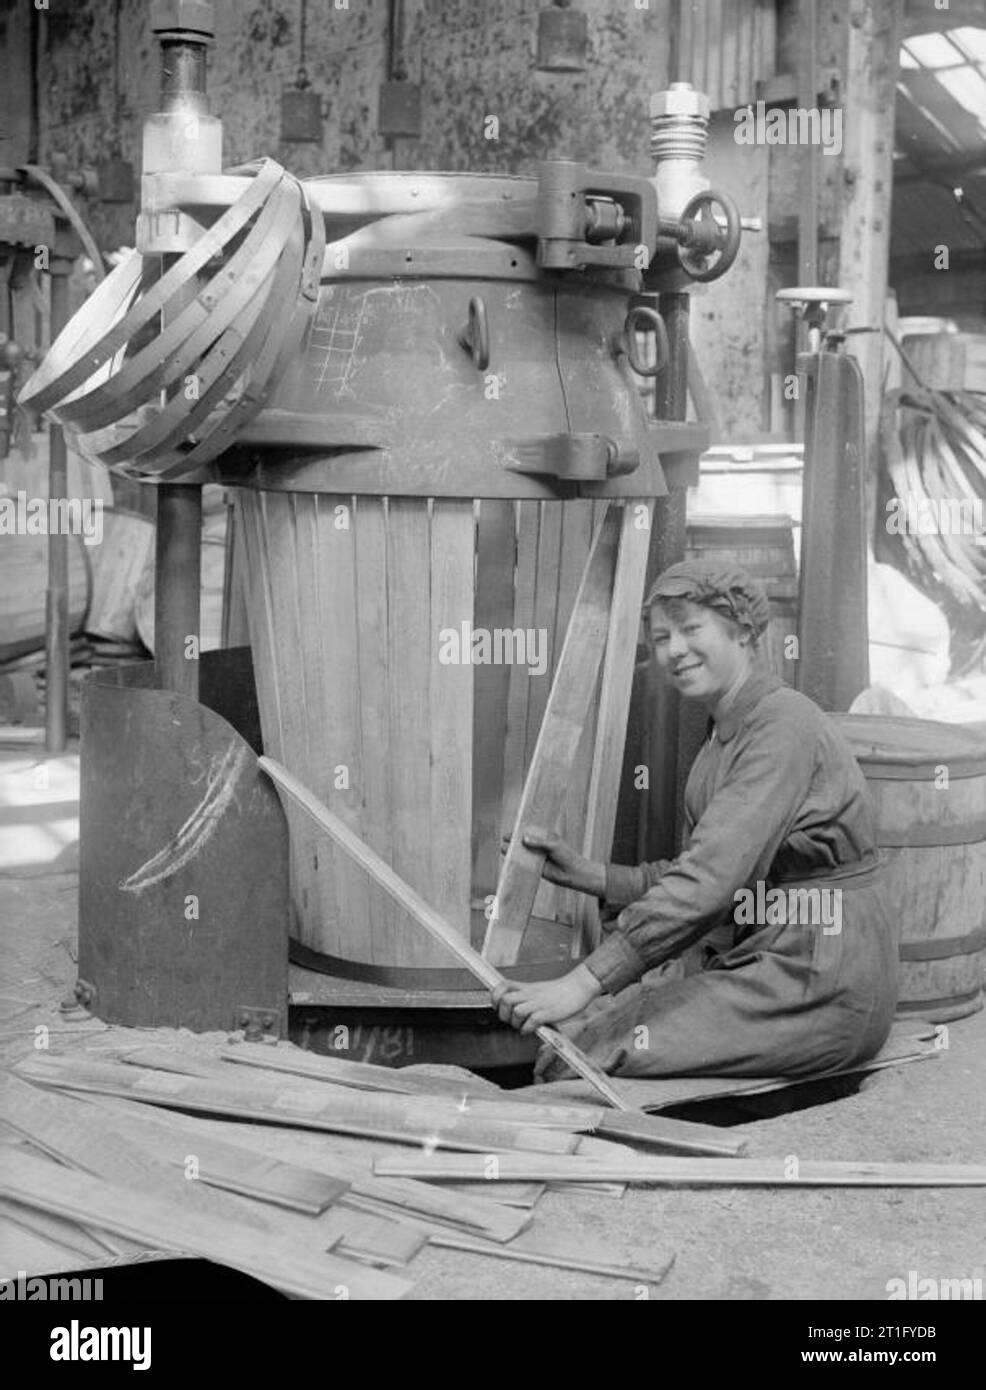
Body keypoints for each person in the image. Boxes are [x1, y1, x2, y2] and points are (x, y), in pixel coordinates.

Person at [492, 559, 898, 1082]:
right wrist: (593, 875)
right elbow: (707, 869)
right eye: (662, 637)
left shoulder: (782, 726)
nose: (674, 650)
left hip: (822, 979)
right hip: (773, 957)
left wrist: (584, 980)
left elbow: (710, 880)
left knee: (586, 1054)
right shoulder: (724, 734)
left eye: (690, 628)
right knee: (581, 1032)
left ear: (744, 630)